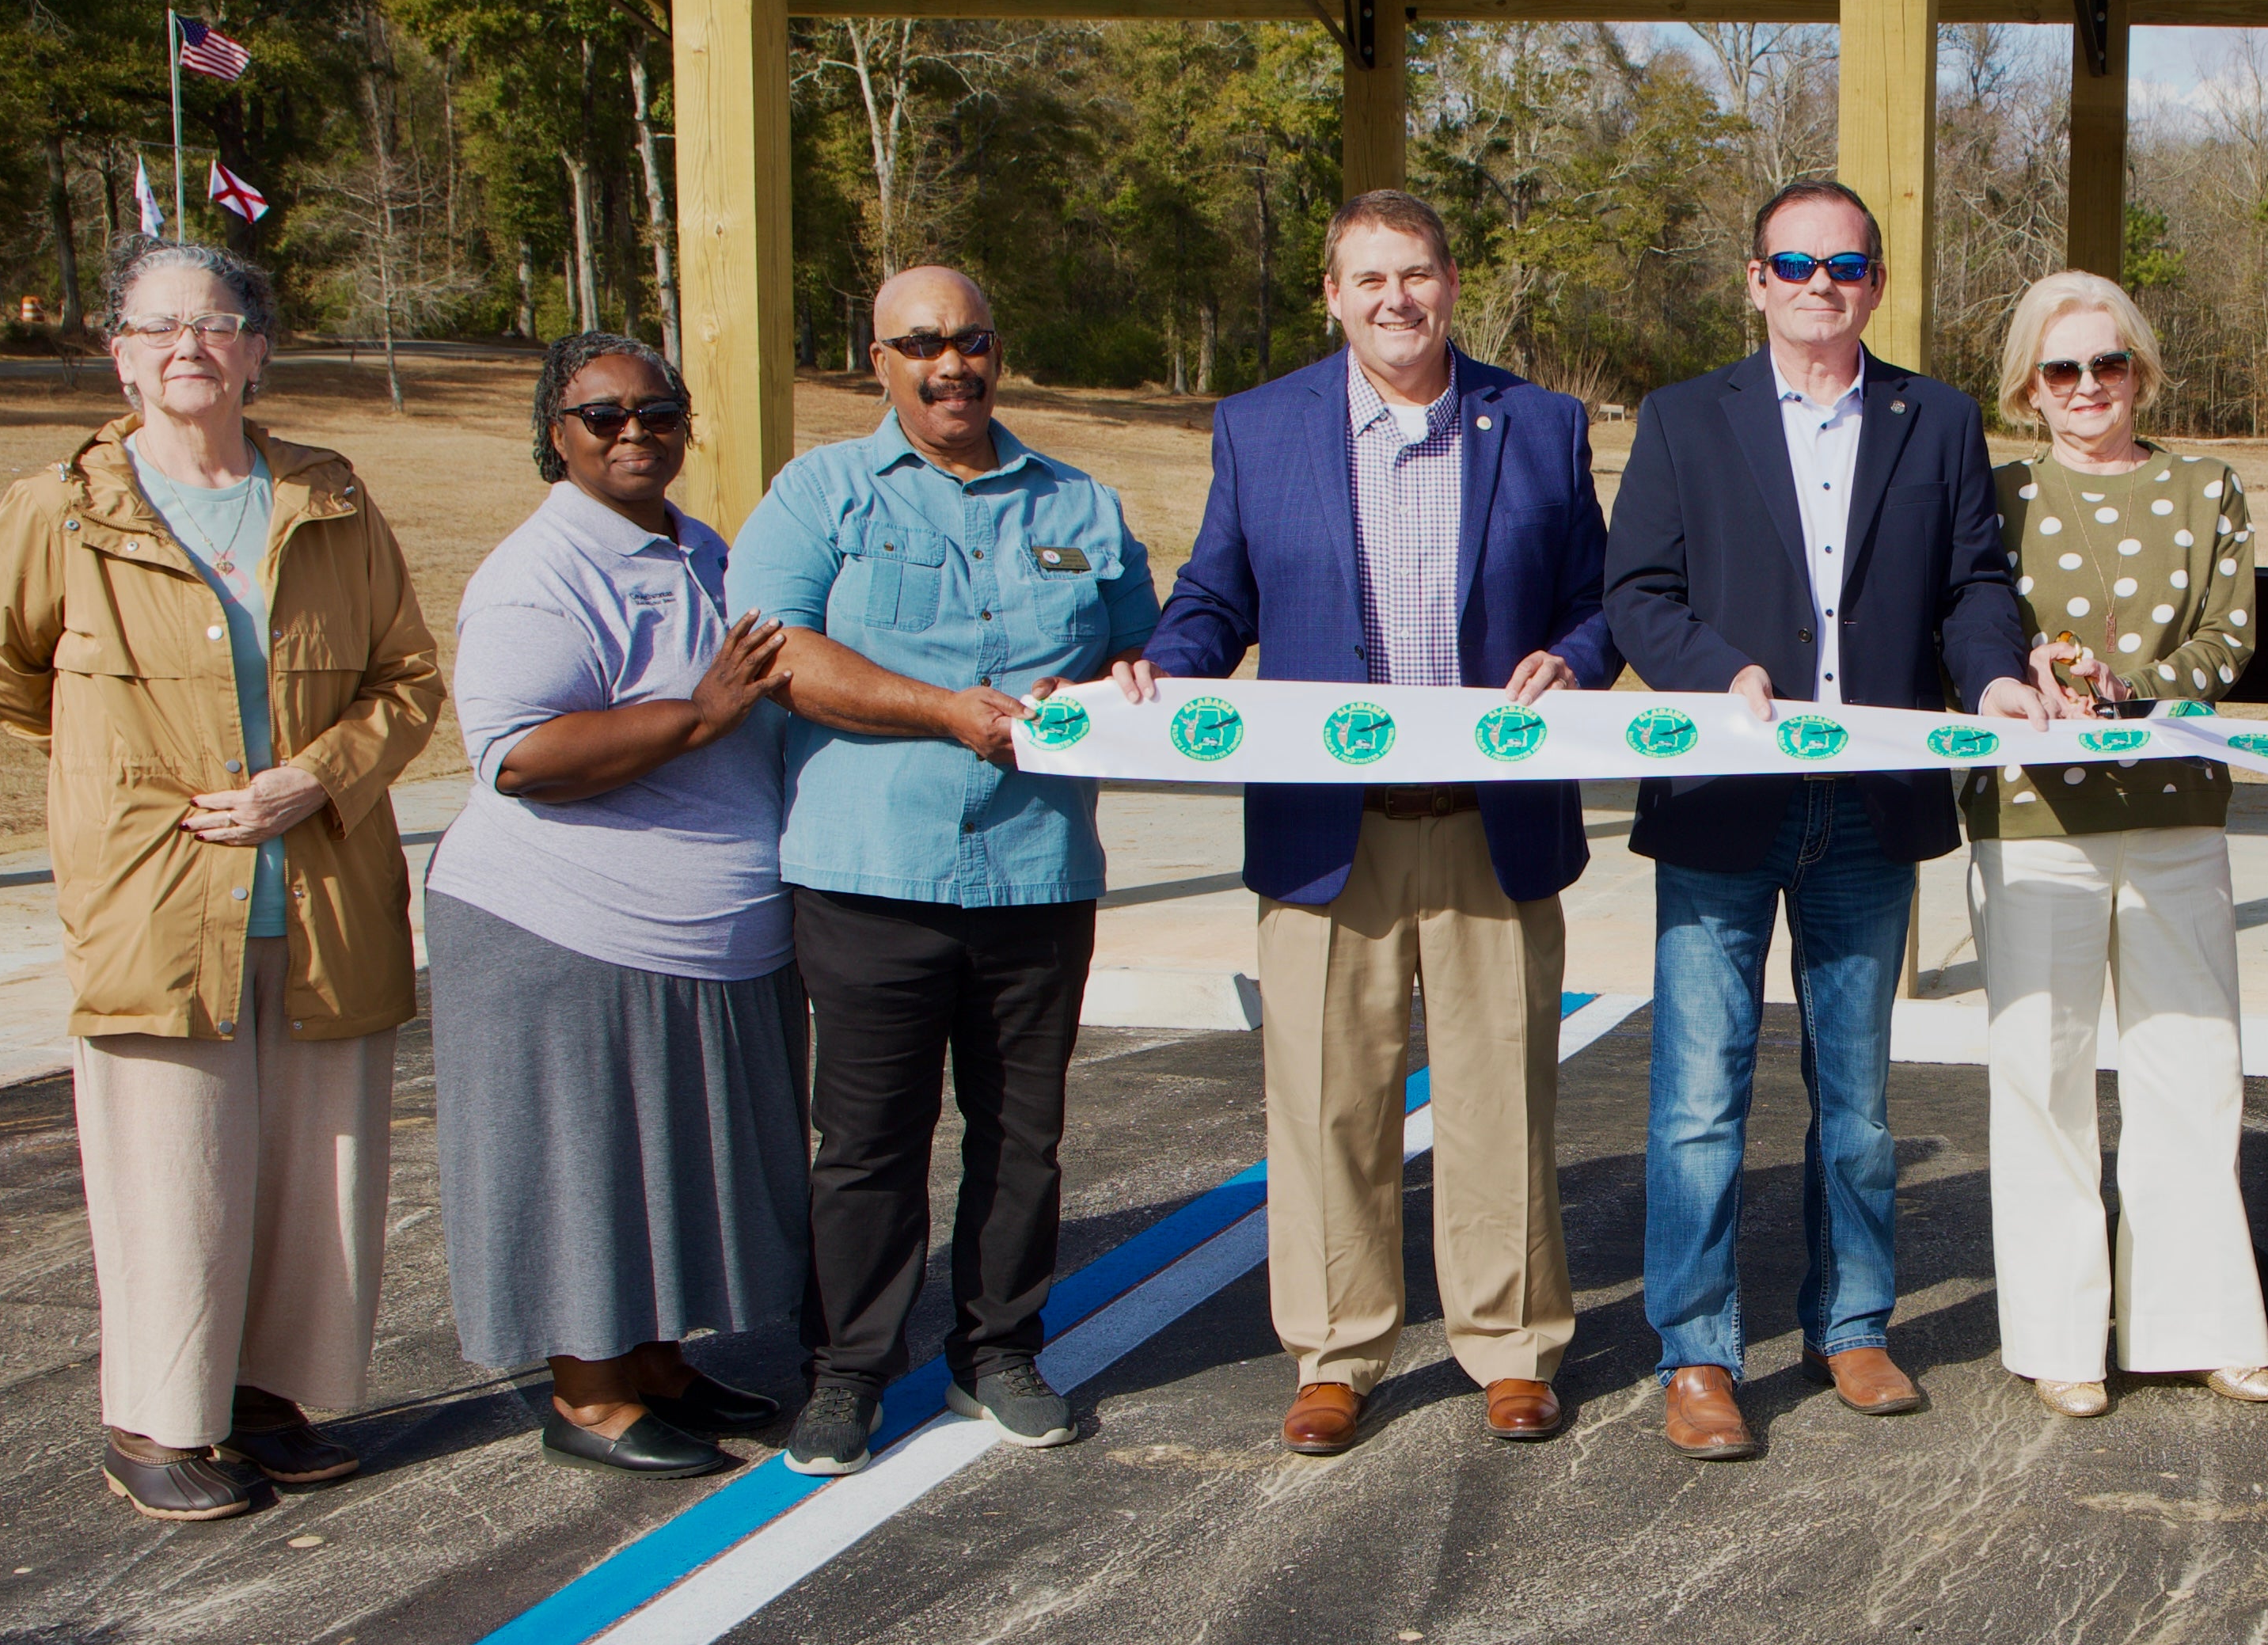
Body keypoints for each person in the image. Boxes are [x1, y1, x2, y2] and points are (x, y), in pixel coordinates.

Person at [1109, 192, 1613, 1457]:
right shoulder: (1261, 425)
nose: (1397, 299)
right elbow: (1214, 593)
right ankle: (1337, 1349)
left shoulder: (1541, 426)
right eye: (1368, 278)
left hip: (1491, 821)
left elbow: (1601, 602)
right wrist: (1163, 670)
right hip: (1325, 827)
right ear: (1331, 295)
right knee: (1329, 1097)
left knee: (1502, 1093)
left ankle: (1508, 1346)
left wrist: (1575, 658)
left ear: (1453, 283)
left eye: (1418, 273)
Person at [0, 240, 445, 1522]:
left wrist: (313, 778)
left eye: (218, 321)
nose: (190, 345)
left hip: (320, 886)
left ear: (258, 348)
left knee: (309, 1162)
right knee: (171, 1162)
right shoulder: (59, 509)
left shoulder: (331, 497)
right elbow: (11, 673)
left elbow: (407, 682)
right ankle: (158, 1422)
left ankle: (268, 1398)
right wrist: (116, 783)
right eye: (158, 324)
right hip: (157, 895)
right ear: (118, 351)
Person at [1603, 178, 2046, 1460]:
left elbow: (1971, 581)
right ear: (1753, 280)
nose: (1817, 282)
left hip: (1870, 805)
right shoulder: (1687, 419)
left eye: (1842, 263)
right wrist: (1713, 670)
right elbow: (1636, 590)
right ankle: (1696, 1351)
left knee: (1854, 1096)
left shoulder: (1938, 418)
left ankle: (1852, 1323)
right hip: (1721, 799)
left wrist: (1997, 672)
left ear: (1876, 282)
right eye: (1792, 262)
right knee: (1699, 1095)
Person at [729, 266, 1158, 1477]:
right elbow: (778, 655)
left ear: (996, 348)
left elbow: (1142, 644)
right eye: (920, 343)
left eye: (968, 338)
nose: (948, 363)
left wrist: (1138, 674)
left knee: (1023, 1137)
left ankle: (1000, 1350)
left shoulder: (1079, 499)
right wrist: (938, 712)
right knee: (867, 1140)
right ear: (878, 358)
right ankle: (845, 1373)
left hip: (1036, 871)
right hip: (870, 868)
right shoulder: (819, 492)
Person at [426, 333, 806, 1480]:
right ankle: (586, 1393)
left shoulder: (701, 548)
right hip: (563, 929)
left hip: (695, 935)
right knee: (583, 1164)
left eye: (657, 410)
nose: (634, 431)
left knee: (662, 1161)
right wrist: (694, 717)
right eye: (603, 415)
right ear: (556, 433)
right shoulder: (535, 571)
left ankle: (652, 1365)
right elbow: (521, 754)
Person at [1970, 270, 2268, 1418]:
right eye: (2062, 369)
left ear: (2140, 371)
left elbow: (2229, 633)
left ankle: (2200, 1322)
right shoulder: (1994, 495)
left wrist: (2135, 684)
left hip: (2173, 812)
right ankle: (2058, 1334)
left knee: (2190, 1070)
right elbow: (1965, 616)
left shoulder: (2207, 488)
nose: (2087, 386)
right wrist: (2023, 669)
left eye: (2108, 364)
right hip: (2031, 815)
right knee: (2039, 1075)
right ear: (2028, 387)